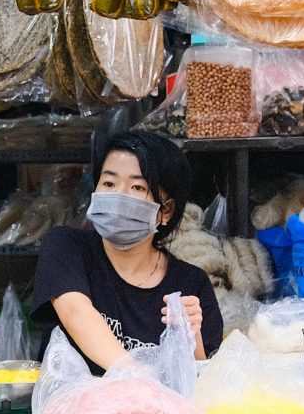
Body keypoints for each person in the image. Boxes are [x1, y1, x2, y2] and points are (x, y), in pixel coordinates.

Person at [31, 130, 220, 372]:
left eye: (137, 187)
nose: (119, 195)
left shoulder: (192, 284)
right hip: (76, 408)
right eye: (109, 183)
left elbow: (202, 383)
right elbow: (75, 312)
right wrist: (140, 382)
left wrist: (191, 338)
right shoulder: (67, 247)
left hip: (158, 411)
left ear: (166, 211)